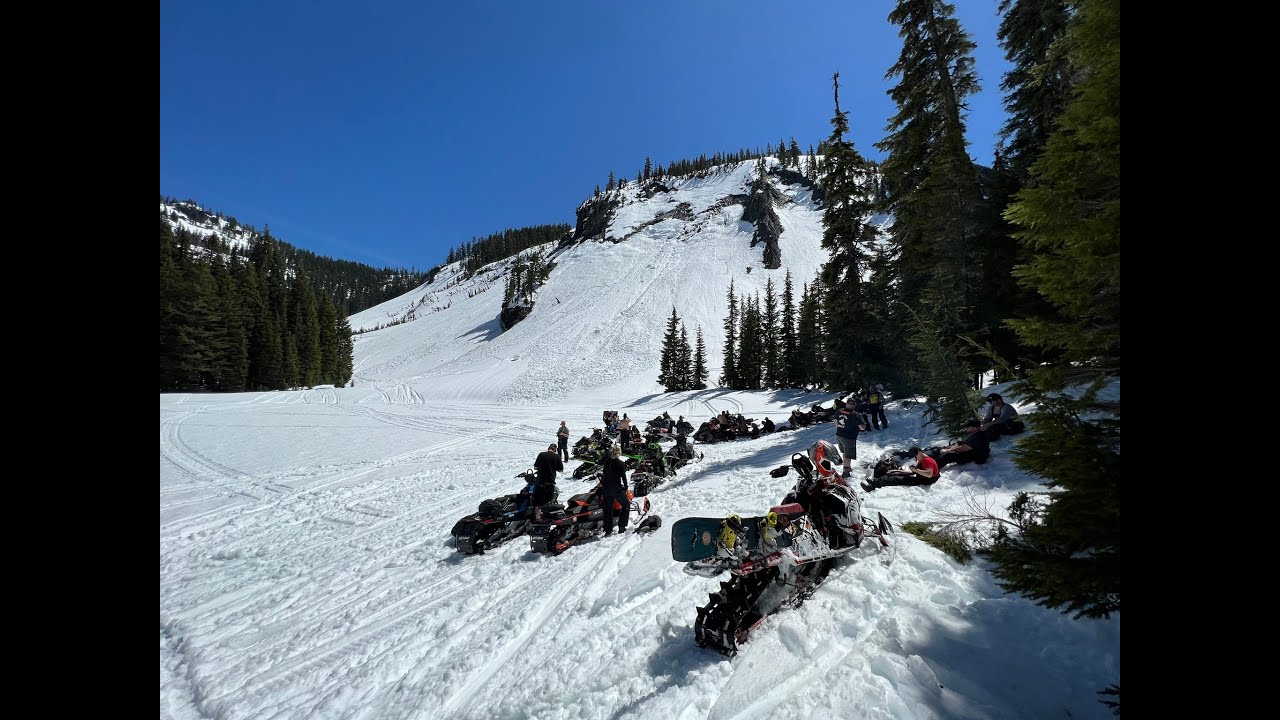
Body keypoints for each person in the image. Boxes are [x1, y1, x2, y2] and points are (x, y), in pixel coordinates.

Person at [861, 447, 939, 492]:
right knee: (895, 475)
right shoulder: (923, 461)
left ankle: (872, 486)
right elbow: (912, 472)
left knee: (896, 479)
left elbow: (929, 474)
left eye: (915, 456)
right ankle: (875, 482)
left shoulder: (927, 460)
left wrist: (916, 470)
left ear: (918, 452)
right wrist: (896, 471)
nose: (915, 458)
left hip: (925, 480)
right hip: (921, 478)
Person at [833, 398, 867, 479]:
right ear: (854, 405)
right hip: (849, 437)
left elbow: (835, 422)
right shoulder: (856, 415)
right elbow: (862, 427)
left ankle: (847, 466)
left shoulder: (839, 411)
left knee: (845, 451)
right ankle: (846, 472)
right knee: (848, 455)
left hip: (839, 435)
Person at [600, 445, 630, 535]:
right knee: (626, 504)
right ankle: (622, 526)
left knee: (608, 509)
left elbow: (604, 474)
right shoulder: (620, 463)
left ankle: (607, 530)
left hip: (606, 488)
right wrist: (625, 487)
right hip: (616, 489)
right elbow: (623, 477)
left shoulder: (607, 462)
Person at [532, 443, 564, 507]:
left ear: (548, 448)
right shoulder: (557, 456)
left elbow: (535, 467)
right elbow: (560, 470)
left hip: (540, 482)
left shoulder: (541, 454)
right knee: (548, 504)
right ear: (555, 450)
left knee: (537, 504)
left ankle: (537, 516)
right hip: (550, 483)